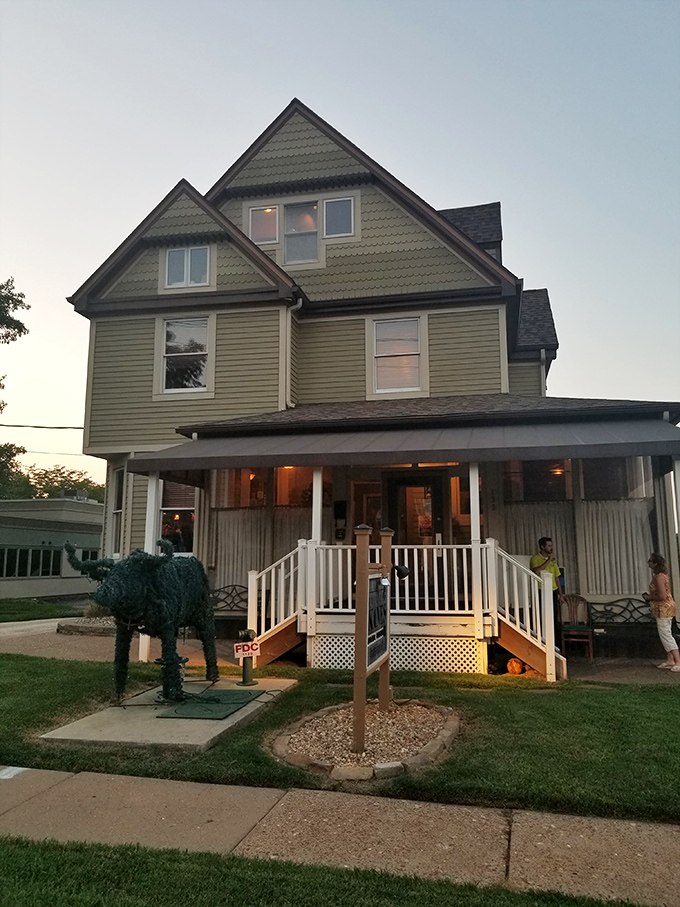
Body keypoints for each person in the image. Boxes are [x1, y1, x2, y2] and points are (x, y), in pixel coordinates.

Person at [643, 553, 679, 672]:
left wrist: (648, 597)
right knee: (665, 633)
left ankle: (678, 661)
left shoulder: (659, 577)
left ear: (655, 563)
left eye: (651, 561)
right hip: (664, 608)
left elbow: (662, 596)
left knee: (666, 635)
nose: (649, 563)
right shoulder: (662, 575)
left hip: (664, 609)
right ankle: (670, 659)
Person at [530, 536, 565, 648]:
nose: (551, 548)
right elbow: (536, 571)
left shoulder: (553, 561)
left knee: (554, 618)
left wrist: (561, 595)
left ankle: (556, 645)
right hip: (541, 591)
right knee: (542, 616)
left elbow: (556, 577)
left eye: (551, 545)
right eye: (549, 546)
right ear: (542, 547)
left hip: (553, 591)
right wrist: (549, 560)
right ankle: (543, 642)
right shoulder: (535, 559)